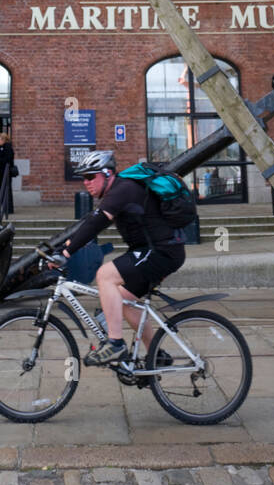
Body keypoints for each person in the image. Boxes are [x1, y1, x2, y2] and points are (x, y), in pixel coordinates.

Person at [54, 150, 185, 366]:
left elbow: (96, 223)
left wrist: (66, 253)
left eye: (90, 177)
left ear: (107, 174)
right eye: (83, 178)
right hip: (154, 251)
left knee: (105, 276)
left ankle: (115, 343)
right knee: (125, 302)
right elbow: (90, 221)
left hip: (160, 252)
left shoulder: (122, 189)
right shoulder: (118, 191)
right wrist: (63, 246)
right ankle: (156, 355)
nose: (86, 183)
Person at [0, 133, 15, 216]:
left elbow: (7, 160)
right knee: (3, 189)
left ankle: (8, 208)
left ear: (3, 140)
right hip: (2, 171)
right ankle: (5, 207)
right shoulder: (2, 147)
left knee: (6, 189)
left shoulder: (7, 147)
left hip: (6, 172)